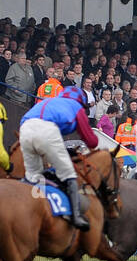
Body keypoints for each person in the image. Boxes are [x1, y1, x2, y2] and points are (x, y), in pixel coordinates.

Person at [18, 86, 100, 230]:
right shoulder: (77, 107)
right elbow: (91, 141)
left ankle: (24, 209)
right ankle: (75, 217)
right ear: (81, 100)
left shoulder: (49, 100)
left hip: (25, 128)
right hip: (47, 130)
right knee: (69, 174)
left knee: (34, 177)